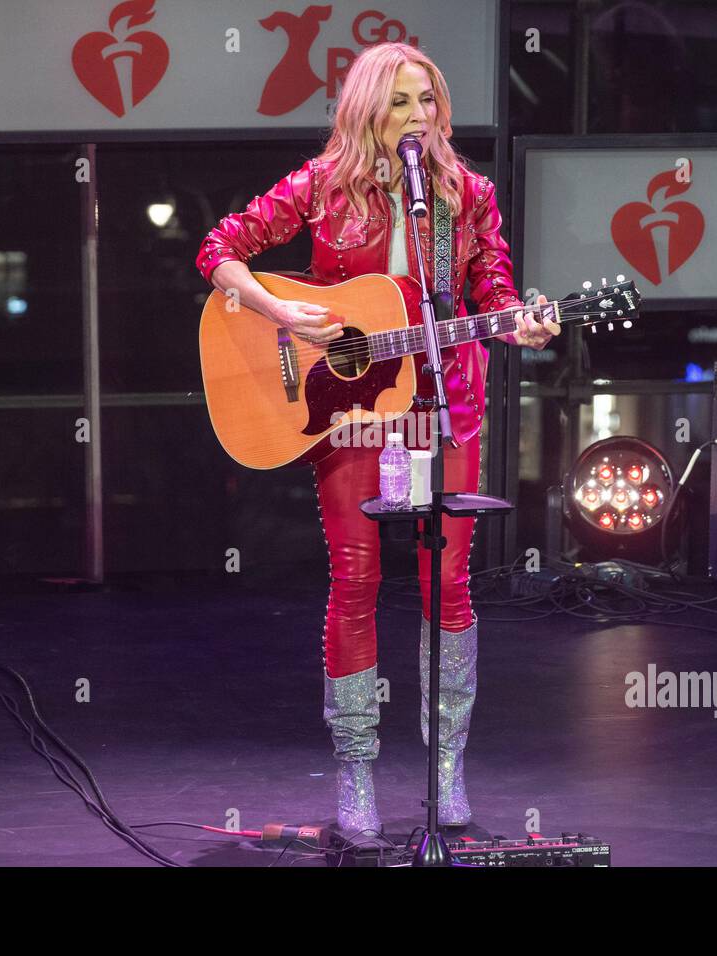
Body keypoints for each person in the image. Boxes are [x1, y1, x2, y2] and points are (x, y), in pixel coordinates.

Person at [196, 43, 559, 838]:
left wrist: (519, 322)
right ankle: (355, 774)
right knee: (355, 580)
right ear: (367, 108)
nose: (418, 116)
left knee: (450, 585)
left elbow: (491, 290)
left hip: (441, 405)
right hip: (350, 408)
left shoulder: (466, 195)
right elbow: (219, 251)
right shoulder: (322, 187)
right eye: (399, 102)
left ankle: (447, 764)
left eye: (426, 99)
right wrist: (280, 313)